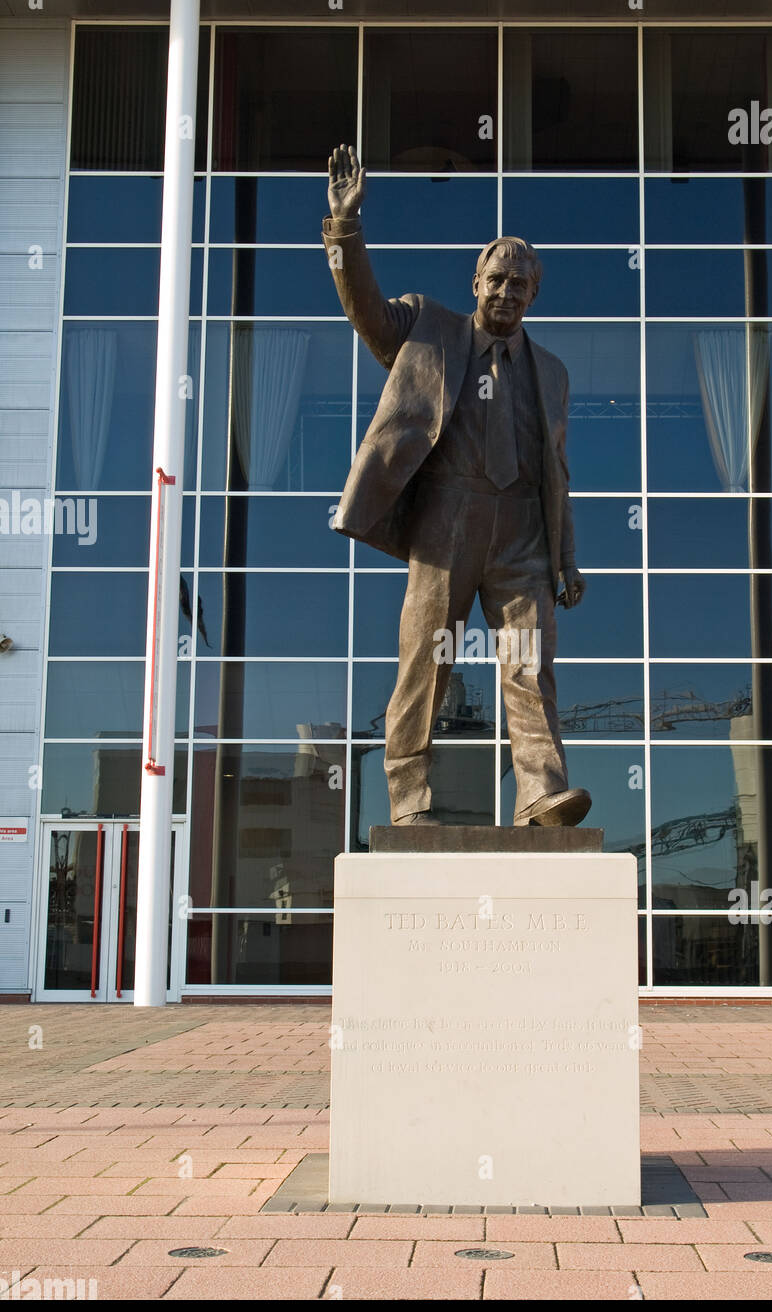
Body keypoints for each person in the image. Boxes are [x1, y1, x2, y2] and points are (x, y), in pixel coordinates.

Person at [323, 144, 590, 828]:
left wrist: (565, 558)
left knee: (529, 667)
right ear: (475, 283)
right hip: (447, 522)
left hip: (522, 532)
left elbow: (556, 471)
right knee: (424, 667)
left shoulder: (550, 371)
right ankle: (409, 800)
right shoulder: (428, 330)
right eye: (496, 280)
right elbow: (367, 313)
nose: (506, 293)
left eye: (519, 286)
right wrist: (346, 231)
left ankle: (539, 791)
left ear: (534, 295)